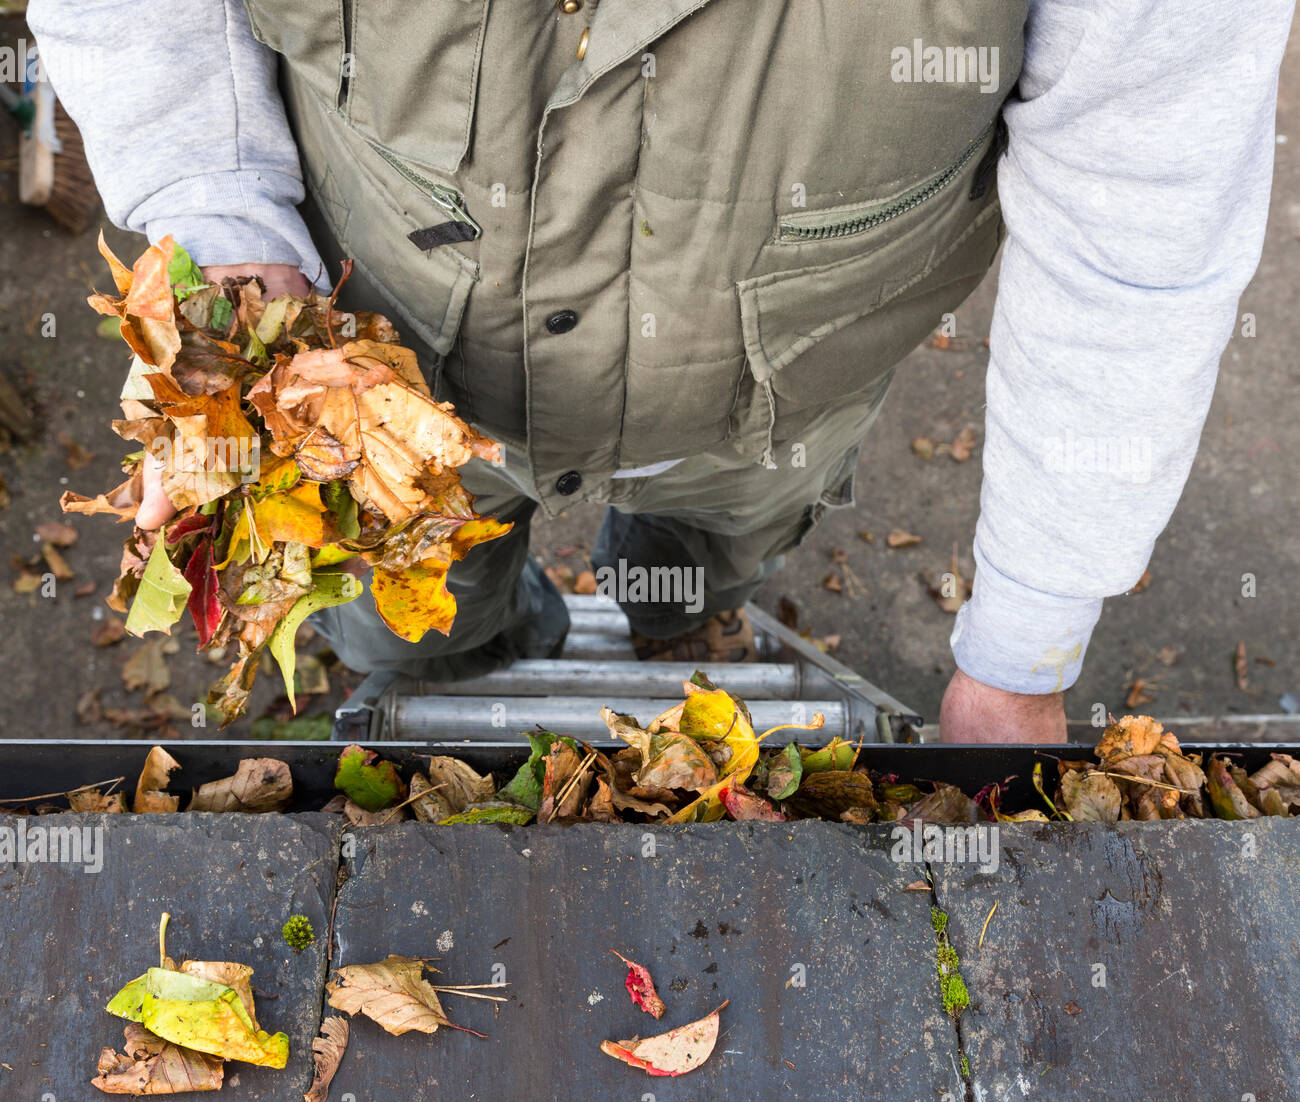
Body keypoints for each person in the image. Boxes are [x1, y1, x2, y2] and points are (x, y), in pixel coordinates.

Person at [29, 0, 1294, 741]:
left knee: (702, 538)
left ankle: (676, 618)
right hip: (379, 384)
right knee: (412, 613)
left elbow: (1139, 213)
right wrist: (233, 239)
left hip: (763, 404)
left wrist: (1022, 646)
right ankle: (440, 661)